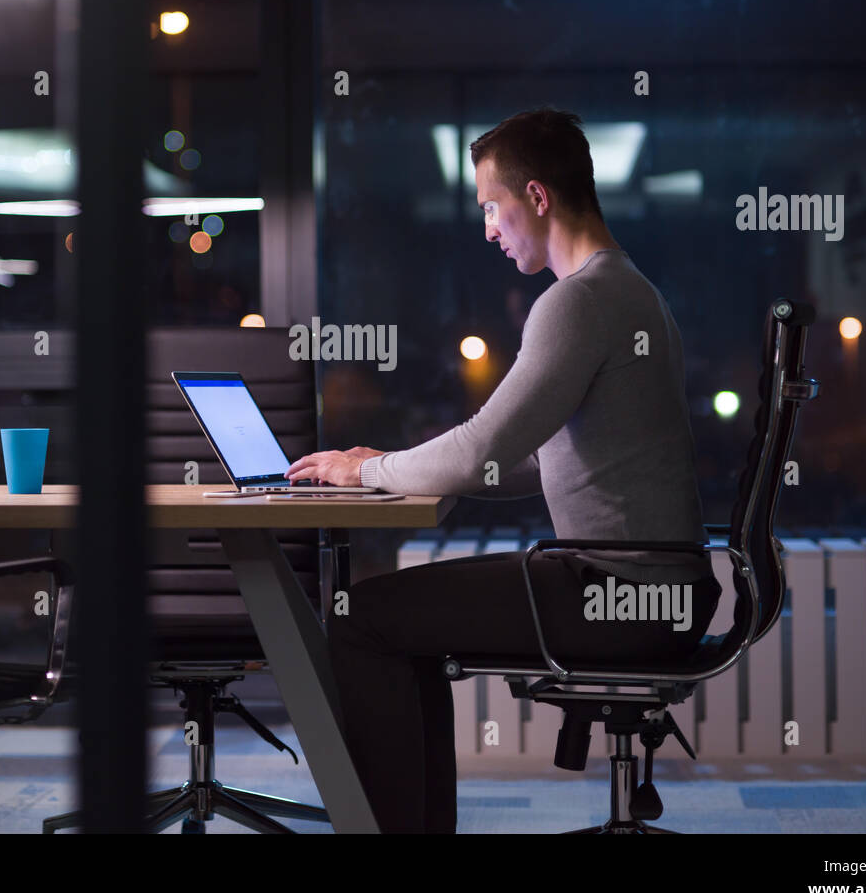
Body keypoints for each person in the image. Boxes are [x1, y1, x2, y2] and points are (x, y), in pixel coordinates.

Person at [285, 107, 721, 833]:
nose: (488, 227)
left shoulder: (578, 303)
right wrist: (393, 467)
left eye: (493, 205)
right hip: (658, 585)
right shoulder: (630, 291)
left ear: (538, 197)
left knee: (361, 619)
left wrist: (363, 470)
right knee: (398, 624)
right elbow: (523, 458)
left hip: (618, 592)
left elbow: (480, 448)